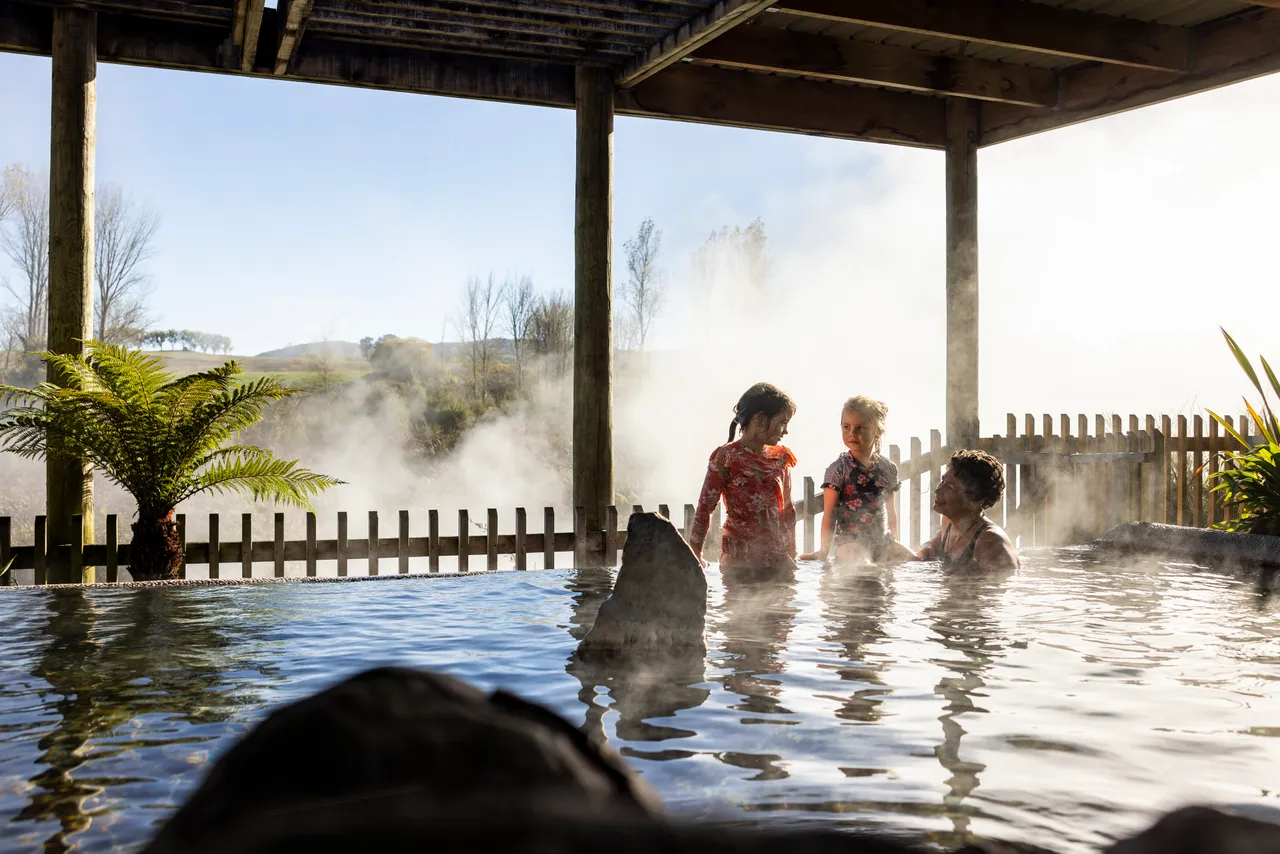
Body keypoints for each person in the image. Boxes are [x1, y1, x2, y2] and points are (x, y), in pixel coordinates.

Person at [688, 383, 798, 573]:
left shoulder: (781, 458)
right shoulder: (726, 457)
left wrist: (792, 555)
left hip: (777, 560)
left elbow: (788, 511)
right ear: (760, 419)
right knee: (740, 601)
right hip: (740, 560)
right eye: (782, 423)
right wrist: (695, 556)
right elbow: (705, 509)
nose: (785, 431)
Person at [799, 396, 914, 565]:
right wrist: (824, 551)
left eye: (860, 428)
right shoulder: (839, 469)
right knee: (864, 566)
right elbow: (829, 513)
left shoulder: (887, 468)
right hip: (850, 542)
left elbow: (891, 511)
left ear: (876, 430)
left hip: (882, 539)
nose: (852, 433)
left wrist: (894, 541)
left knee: (917, 562)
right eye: (846, 427)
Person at [918, 449, 1019, 572]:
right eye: (942, 481)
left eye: (950, 487)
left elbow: (1004, 587)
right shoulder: (950, 522)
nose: (938, 490)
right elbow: (938, 539)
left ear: (976, 500)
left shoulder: (990, 543)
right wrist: (929, 546)